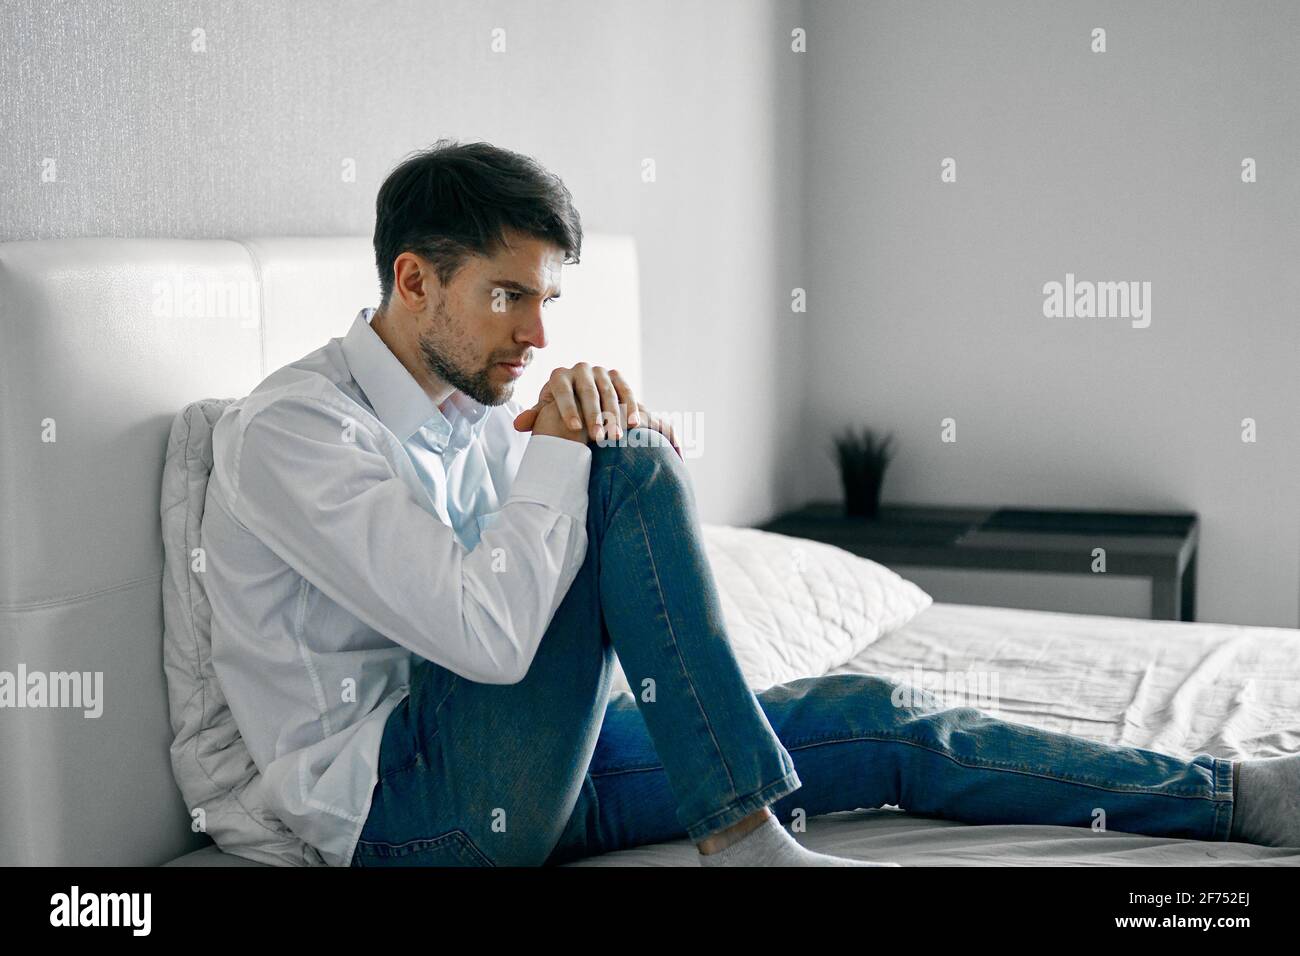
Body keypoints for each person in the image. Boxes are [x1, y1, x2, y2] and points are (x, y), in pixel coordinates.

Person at [201, 139, 1298, 868]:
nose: (537, 335)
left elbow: (546, 595)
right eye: (508, 296)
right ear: (411, 281)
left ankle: (1234, 795)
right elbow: (484, 636)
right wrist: (587, 461)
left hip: (526, 761)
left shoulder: (473, 403)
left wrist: (592, 447)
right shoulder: (293, 431)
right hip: (406, 810)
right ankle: (743, 832)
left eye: (548, 299)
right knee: (620, 460)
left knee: (873, 713)